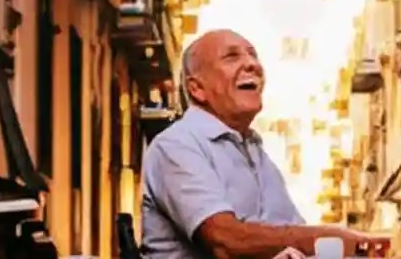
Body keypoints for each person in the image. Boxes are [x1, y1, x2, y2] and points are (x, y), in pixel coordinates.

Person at [141, 29, 378, 258]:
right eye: (231, 57)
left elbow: (290, 237)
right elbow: (226, 241)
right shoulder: (176, 146)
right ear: (197, 89)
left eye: (253, 55)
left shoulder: (256, 153)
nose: (252, 64)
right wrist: (332, 238)